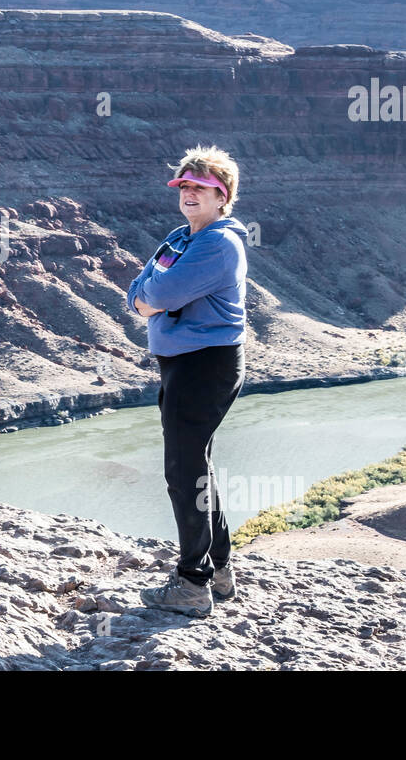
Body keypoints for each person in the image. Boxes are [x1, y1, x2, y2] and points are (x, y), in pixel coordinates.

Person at [127, 145, 248, 618]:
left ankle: (192, 584)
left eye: (201, 186)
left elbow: (159, 292)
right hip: (182, 363)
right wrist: (148, 297)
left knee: (183, 472)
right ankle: (218, 571)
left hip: (205, 364)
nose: (189, 192)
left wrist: (150, 297)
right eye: (184, 186)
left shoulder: (218, 243)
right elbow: (138, 293)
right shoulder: (182, 238)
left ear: (223, 196)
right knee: (197, 467)